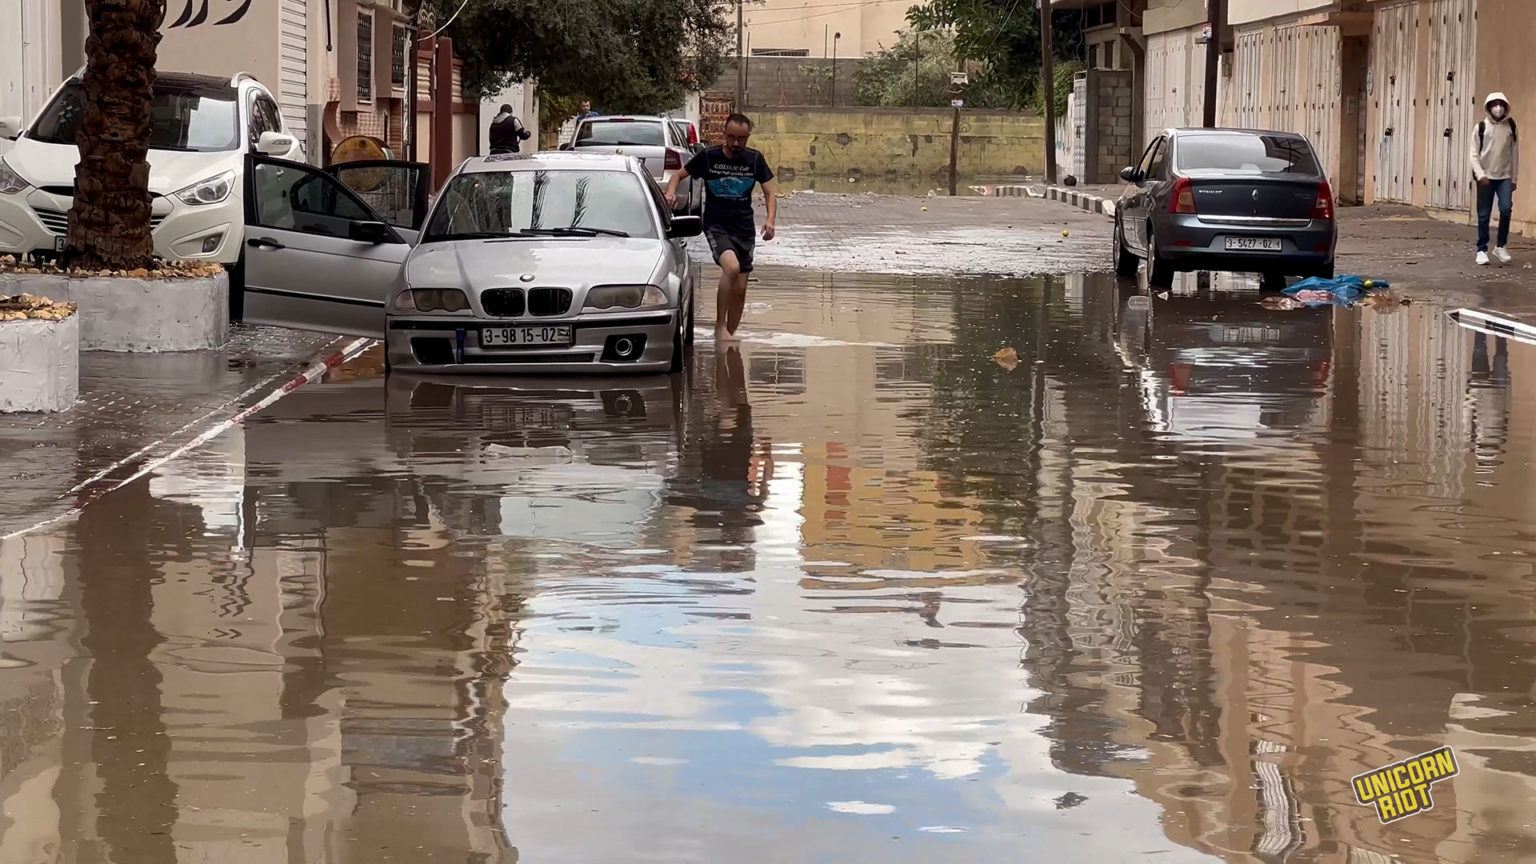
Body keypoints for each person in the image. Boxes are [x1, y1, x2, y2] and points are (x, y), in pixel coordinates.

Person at [664, 113, 776, 342]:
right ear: (724, 135)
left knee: (741, 288)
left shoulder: (755, 160)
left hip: (744, 227)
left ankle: (729, 338)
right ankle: (719, 325)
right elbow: (678, 175)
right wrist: (670, 191)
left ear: (747, 137)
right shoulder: (708, 157)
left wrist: (770, 220)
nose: (736, 143)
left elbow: (769, 192)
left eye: (741, 139)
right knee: (731, 268)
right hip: (716, 225)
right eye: (732, 137)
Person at [1471, 91, 1519, 265]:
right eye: (1494, 104)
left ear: (1505, 107)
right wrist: (1480, 174)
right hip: (1485, 177)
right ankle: (1481, 249)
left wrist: (1514, 178)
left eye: (1501, 104)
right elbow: (1473, 154)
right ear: (1489, 107)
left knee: (1506, 209)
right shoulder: (1480, 128)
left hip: (1504, 176)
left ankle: (1500, 245)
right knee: (1483, 214)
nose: (1498, 108)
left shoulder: (1511, 126)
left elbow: (1514, 153)